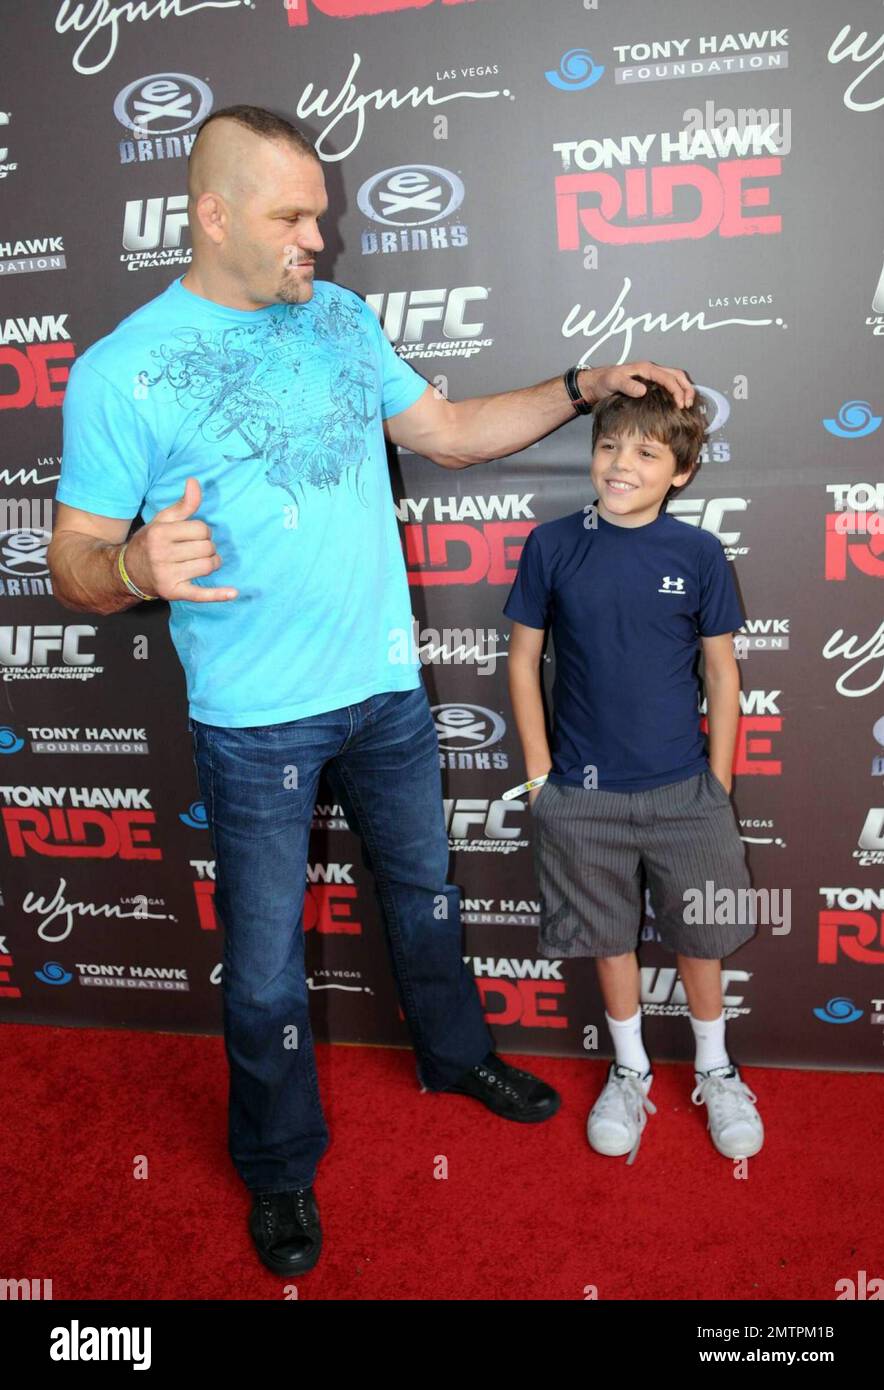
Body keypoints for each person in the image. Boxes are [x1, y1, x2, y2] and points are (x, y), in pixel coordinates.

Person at [47, 103, 696, 1277]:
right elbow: (72, 557)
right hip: (254, 723)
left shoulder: (339, 320)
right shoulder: (121, 369)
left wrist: (580, 382)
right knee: (261, 966)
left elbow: (446, 431)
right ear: (213, 215)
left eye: (325, 216)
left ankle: (452, 1054)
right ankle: (280, 1160)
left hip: (387, 697)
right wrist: (134, 566)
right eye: (294, 218)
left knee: (426, 896)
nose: (319, 240)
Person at [504, 377, 764, 1168]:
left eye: (646, 453)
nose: (622, 464)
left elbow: (721, 674)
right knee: (608, 939)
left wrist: (715, 783)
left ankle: (716, 1070)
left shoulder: (699, 553)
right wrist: (541, 776)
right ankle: (630, 1070)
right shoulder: (553, 546)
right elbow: (523, 662)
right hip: (581, 799)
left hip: (687, 795)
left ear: (679, 472)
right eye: (609, 446)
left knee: (702, 938)